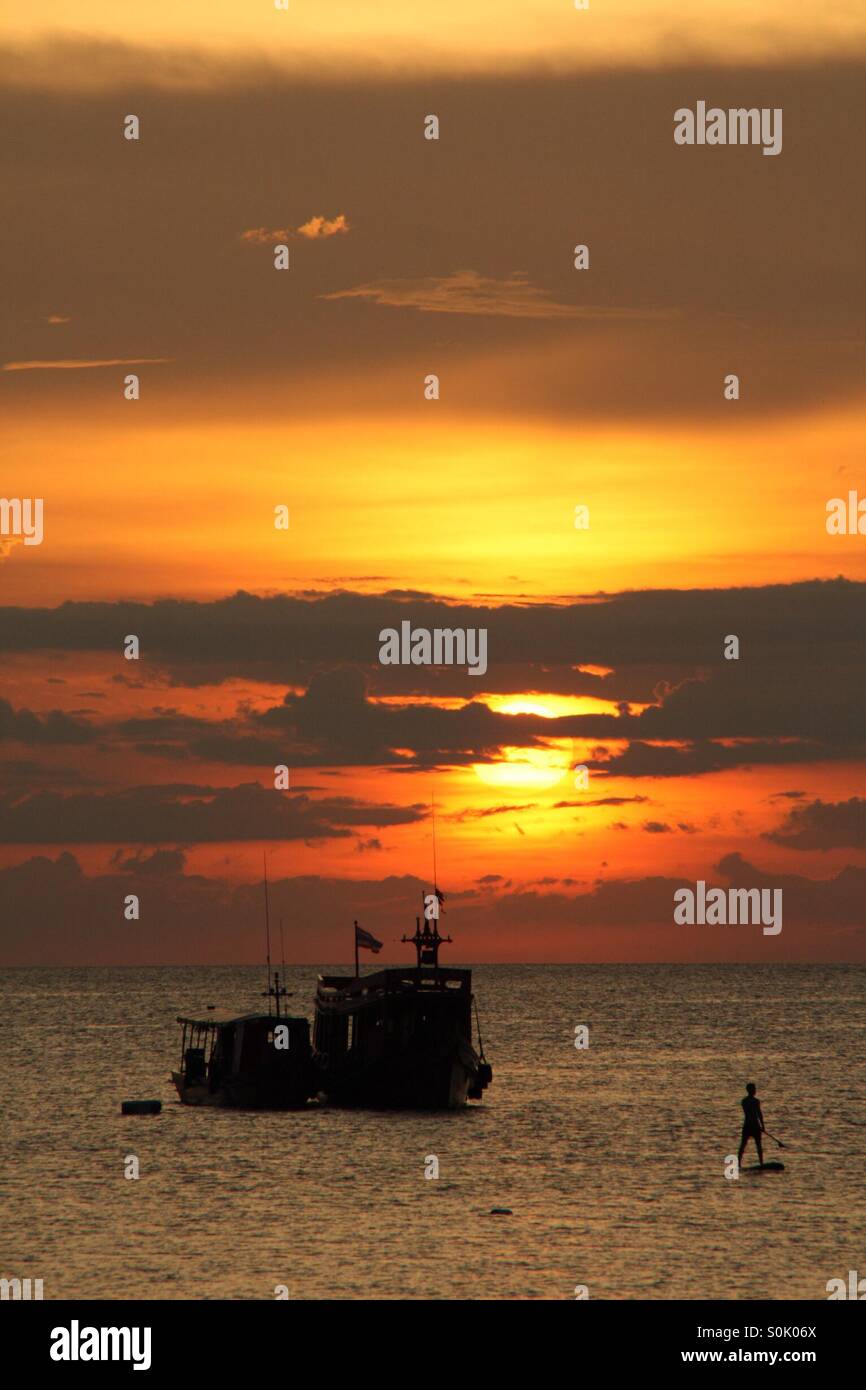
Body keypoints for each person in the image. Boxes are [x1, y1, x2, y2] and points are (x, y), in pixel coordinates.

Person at [738, 1082, 765, 1167]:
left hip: (747, 1125)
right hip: (754, 1126)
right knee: (758, 1145)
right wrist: (763, 1126)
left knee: (743, 1144)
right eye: (754, 1089)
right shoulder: (755, 1101)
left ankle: (739, 1163)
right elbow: (759, 1114)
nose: (755, 1091)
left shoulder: (744, 1101)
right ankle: (761, 1163)